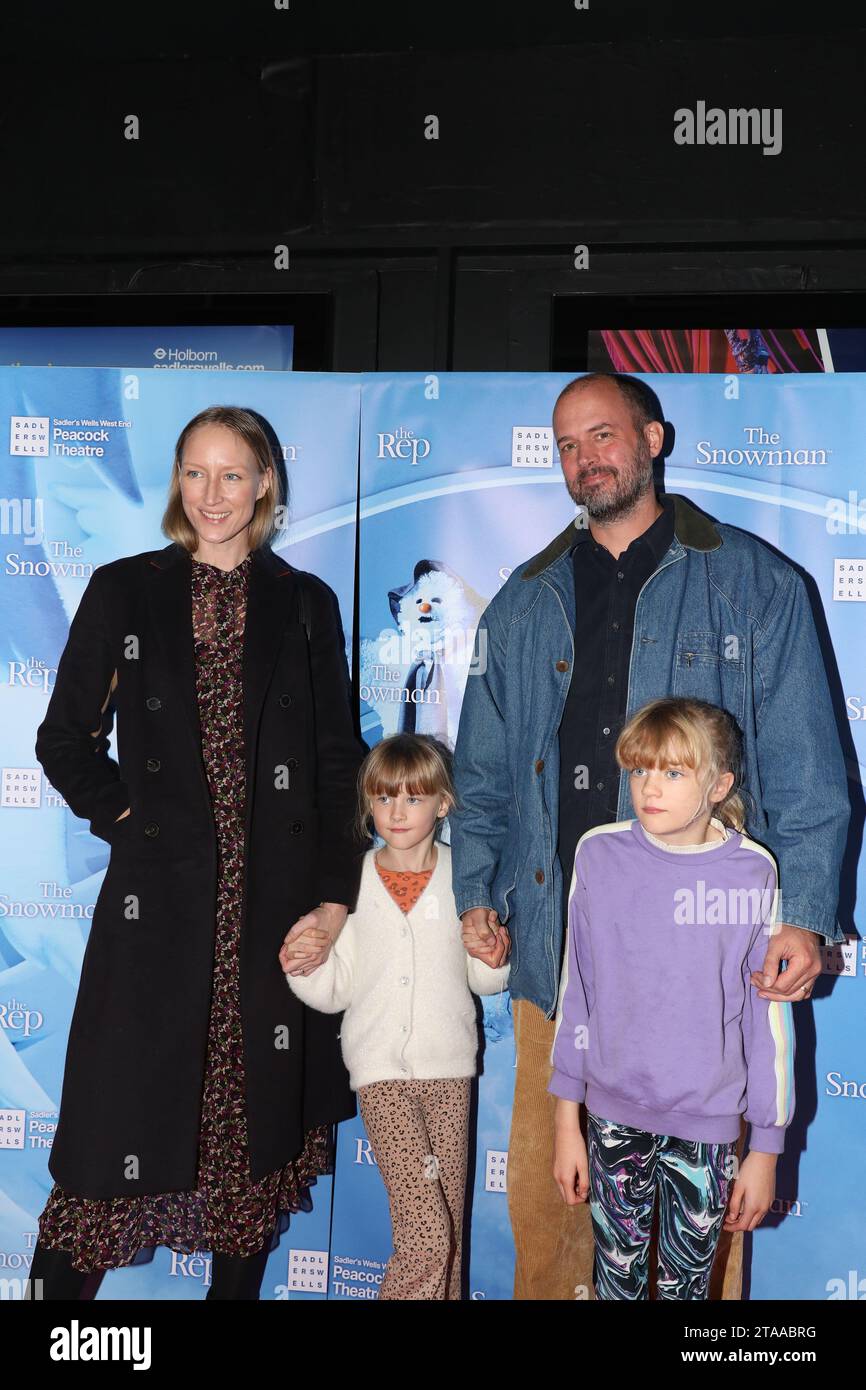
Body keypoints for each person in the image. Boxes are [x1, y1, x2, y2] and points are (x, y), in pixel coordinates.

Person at [450, 371, 849, 1301]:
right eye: (566, 445)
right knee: (551, 1231)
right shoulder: (522, 601)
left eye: (602, 435)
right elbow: (482, 777)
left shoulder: (756, 584)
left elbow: (806, 772)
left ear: (654, 438)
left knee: (700, 1255)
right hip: (562, 964)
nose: (584, 458)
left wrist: (807, 916)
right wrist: (478, 893)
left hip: (705, 973)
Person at [27, 405, 366, 1301]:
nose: (211, 495)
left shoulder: (305, 604)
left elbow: (340, 763)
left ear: (264, 484)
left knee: (250, 1153)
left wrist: (334, 900)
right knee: (107, 1141)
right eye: (193, 473)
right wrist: (130, 818)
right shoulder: (123, 590)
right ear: (178, 484)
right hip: (157, 911)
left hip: (272, 914)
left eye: (231, 474)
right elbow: (62, 740)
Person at [550, 696, 794, 1300]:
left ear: (719, 784)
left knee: (689, 1292)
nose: (649, 788)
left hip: (706, 1130)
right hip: (611, 1118)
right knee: (615, 1285)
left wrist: (765, 1149)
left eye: (673, 772)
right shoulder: (598, 854)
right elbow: (577, 991)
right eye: (639, 771)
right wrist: (565, 1119)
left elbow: (767, 1022)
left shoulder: (752, 874)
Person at [283, 733, 509, 1299]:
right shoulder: (350, 883)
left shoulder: (466, 876)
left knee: (449, 1232)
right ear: (367, 804)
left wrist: (495, 954)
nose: (397, 812)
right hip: (381, 1074)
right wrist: (301, 964)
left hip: (450, 1071)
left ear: (444, 803)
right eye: (384, 799)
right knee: (427, 1234)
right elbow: (336, 989)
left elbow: (483, 980)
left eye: (413, 798)